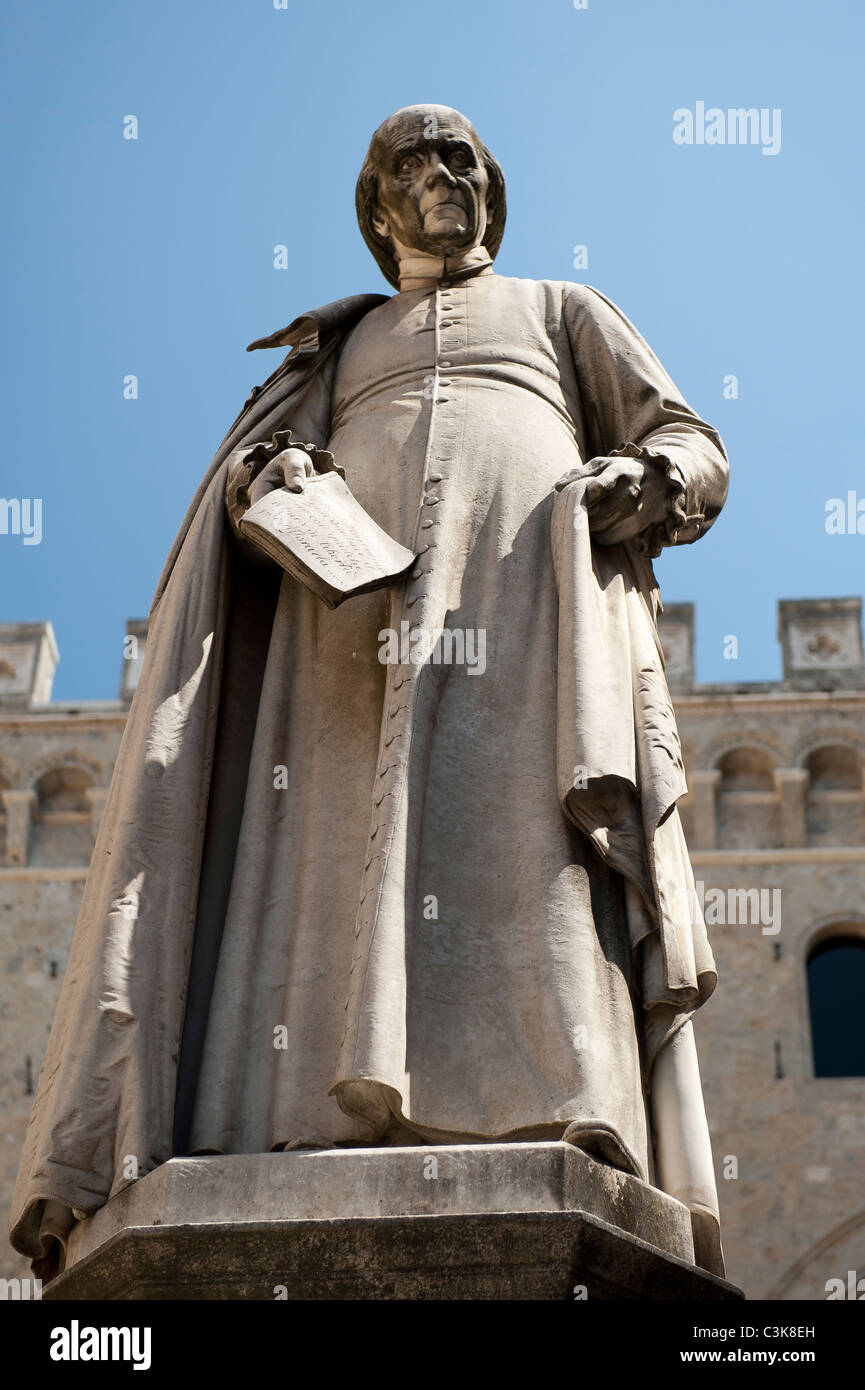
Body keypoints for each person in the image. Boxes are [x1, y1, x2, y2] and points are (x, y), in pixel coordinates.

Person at [11, 105, 729, 1280]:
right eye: (417, 162)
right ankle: (297, 1110)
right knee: (333, 859)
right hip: (342, 641)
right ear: (378, 206)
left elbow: (692, 440)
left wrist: (647, 477)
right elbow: (250, 472)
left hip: (525, 624)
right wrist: (273, 474)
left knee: (524, 849)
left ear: (491, 190)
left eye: (465, 160)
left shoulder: (561, 310)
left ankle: (564, 1096)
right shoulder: (336, 350)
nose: (446, 176)